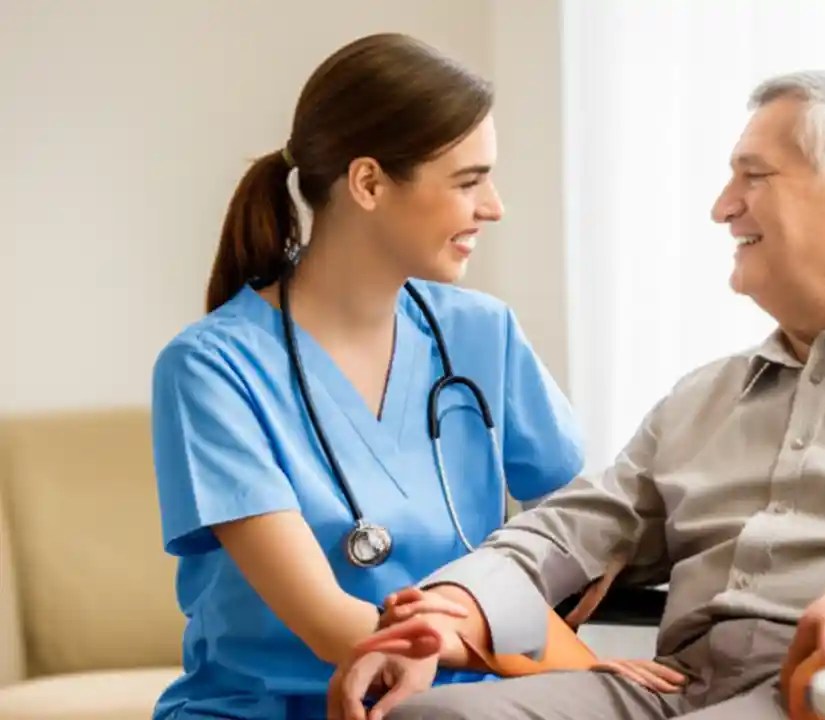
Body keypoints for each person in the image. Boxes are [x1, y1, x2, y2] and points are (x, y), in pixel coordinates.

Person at [336, 71, 825, 719]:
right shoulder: (703, 399)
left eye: (753, 177)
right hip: (680, 686)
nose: (722, 207)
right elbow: (571, 530)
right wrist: (443, 614)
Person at [149, 33, 589, 719]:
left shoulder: (483, 334)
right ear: (369, 183)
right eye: (469, 181)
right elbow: (330, 625)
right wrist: (553, 653)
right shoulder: (211, 368)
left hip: (468, 707)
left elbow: (586, 533)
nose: (494, 206)